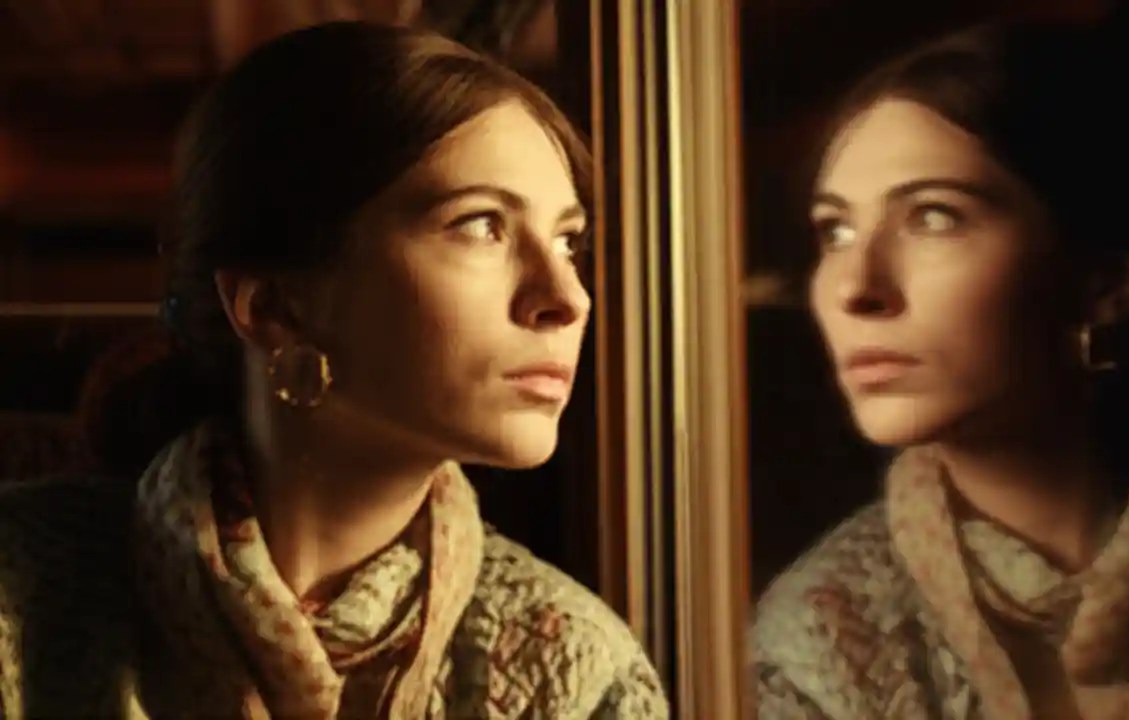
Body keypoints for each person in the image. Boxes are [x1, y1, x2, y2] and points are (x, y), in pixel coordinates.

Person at [0, 22, 667, 719]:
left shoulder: (579, 674)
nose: (568, 299)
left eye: (568, 242)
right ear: (275, 306)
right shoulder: (19, 604)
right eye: (480, 224)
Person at [751, 21, 1129, 719]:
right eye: (835, 231)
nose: (855, 286)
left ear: (1106, 279)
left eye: (934, 216)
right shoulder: (819, 634)